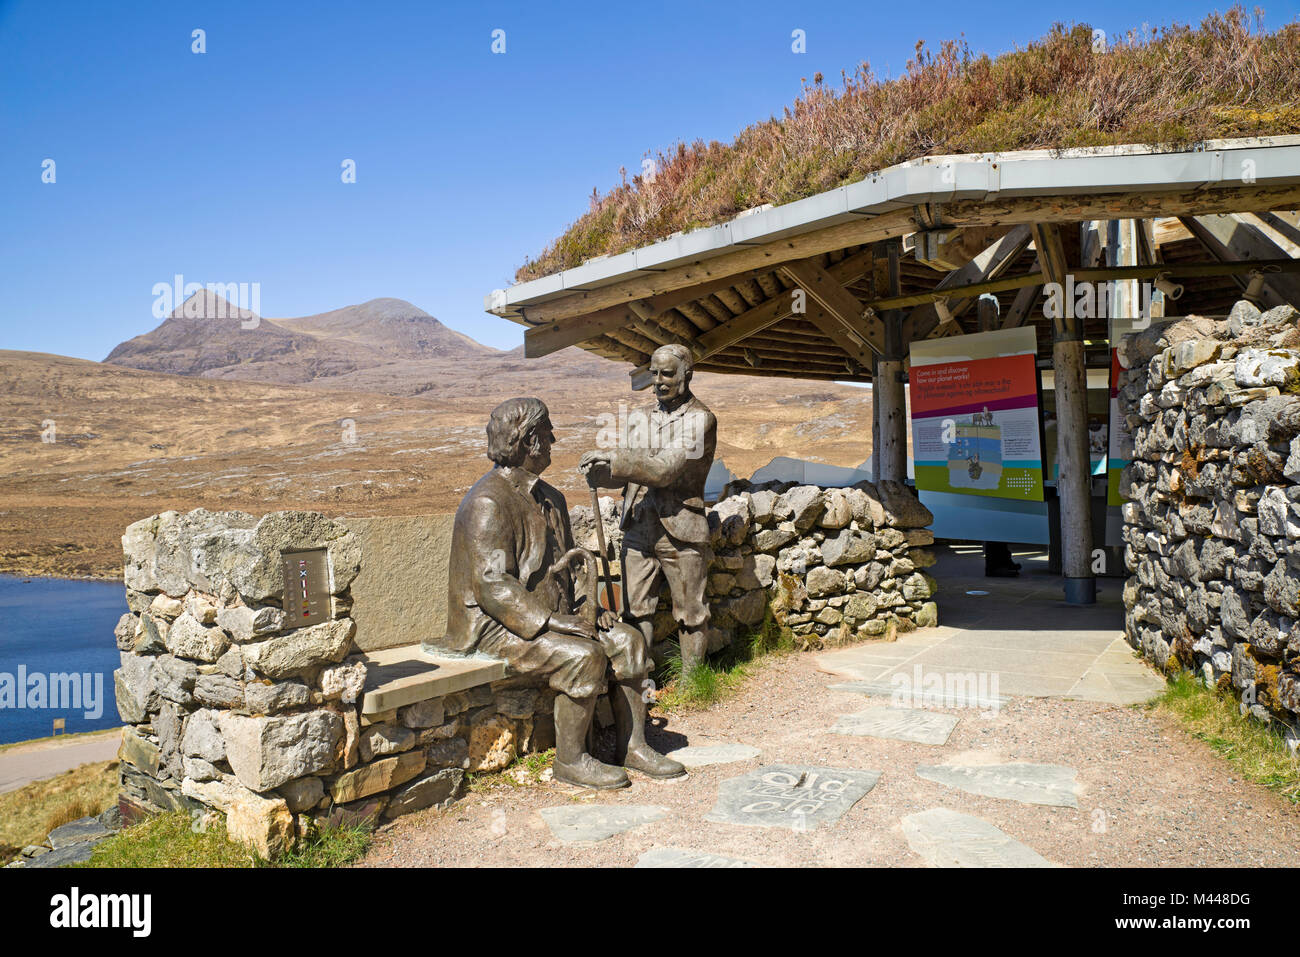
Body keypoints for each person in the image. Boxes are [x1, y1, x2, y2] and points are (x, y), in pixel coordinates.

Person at [436, 396, 684, 789]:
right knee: (583, 656)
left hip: (550, 615)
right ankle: (570, 760)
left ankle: (633, 746)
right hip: (495, 625)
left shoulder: (553, 498)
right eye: (546, 430)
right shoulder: (487, 502)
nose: (554, 437)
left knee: (630, 642)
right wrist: (554, 621)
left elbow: (568, 568)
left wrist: (591, 608)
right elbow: (492, 586)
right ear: (529, 441)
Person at [580, 344, 717, 673]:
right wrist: (602, 471)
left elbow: (664, 470)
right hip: (638, 526)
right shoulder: (639, 418)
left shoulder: (701, 420)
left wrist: (615, 459)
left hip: (680, 528)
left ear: (687, 375)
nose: (658, 381)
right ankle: (639, 679)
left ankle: (694, 683)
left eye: (667, 373)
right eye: (653, 373)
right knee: (635, 609)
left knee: (691, 613)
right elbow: (624, 476)